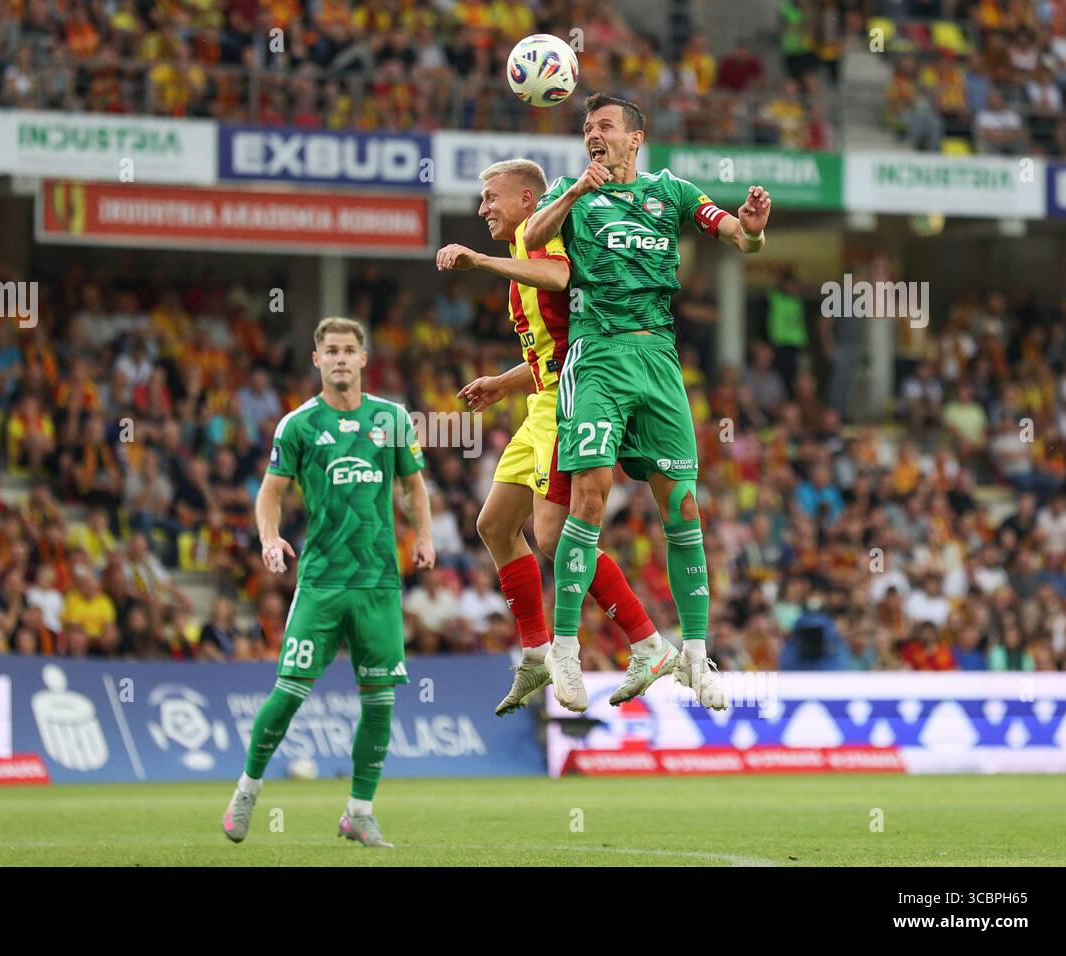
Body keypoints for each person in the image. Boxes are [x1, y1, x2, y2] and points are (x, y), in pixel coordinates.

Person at [523, 92, 771, 712]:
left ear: (636, 137)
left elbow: (739, 238)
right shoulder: (568, 190)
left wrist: (756, 229)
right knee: (589, 498)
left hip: (659, 358)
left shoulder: (674, 193)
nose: (592, 135)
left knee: (683, 507)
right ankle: (567, 651)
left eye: (604, 126)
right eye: (586, 128)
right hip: (598, 355)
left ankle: (693, 653)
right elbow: (531, 236)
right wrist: (577, 191)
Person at [434, 157, 664, 716]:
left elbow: (560, 278)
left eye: (492, 197)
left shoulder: (549, 237)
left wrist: (479, 259)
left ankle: (648, 643)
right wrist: (503, 382)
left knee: (556, 539)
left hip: (569, 400)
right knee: (492, 524)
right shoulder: (520, 252)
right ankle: (536, 657)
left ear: (526, 200)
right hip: (540, 397)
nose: (483, 207)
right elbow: (546, 347)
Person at [223, 317, 434, 850]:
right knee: (289, 693)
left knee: (380, 702)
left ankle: (359, 812)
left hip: (379, 583)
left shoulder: (390, 419)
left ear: (364, 359)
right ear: (316, 360)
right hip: (320, 582)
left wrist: (424, 536)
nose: (340, 358)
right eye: (331, 351)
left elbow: (414, 485)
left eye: (349, 350)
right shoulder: (297, 425)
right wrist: (270, 538)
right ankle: (248, 788)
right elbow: (269, 492)